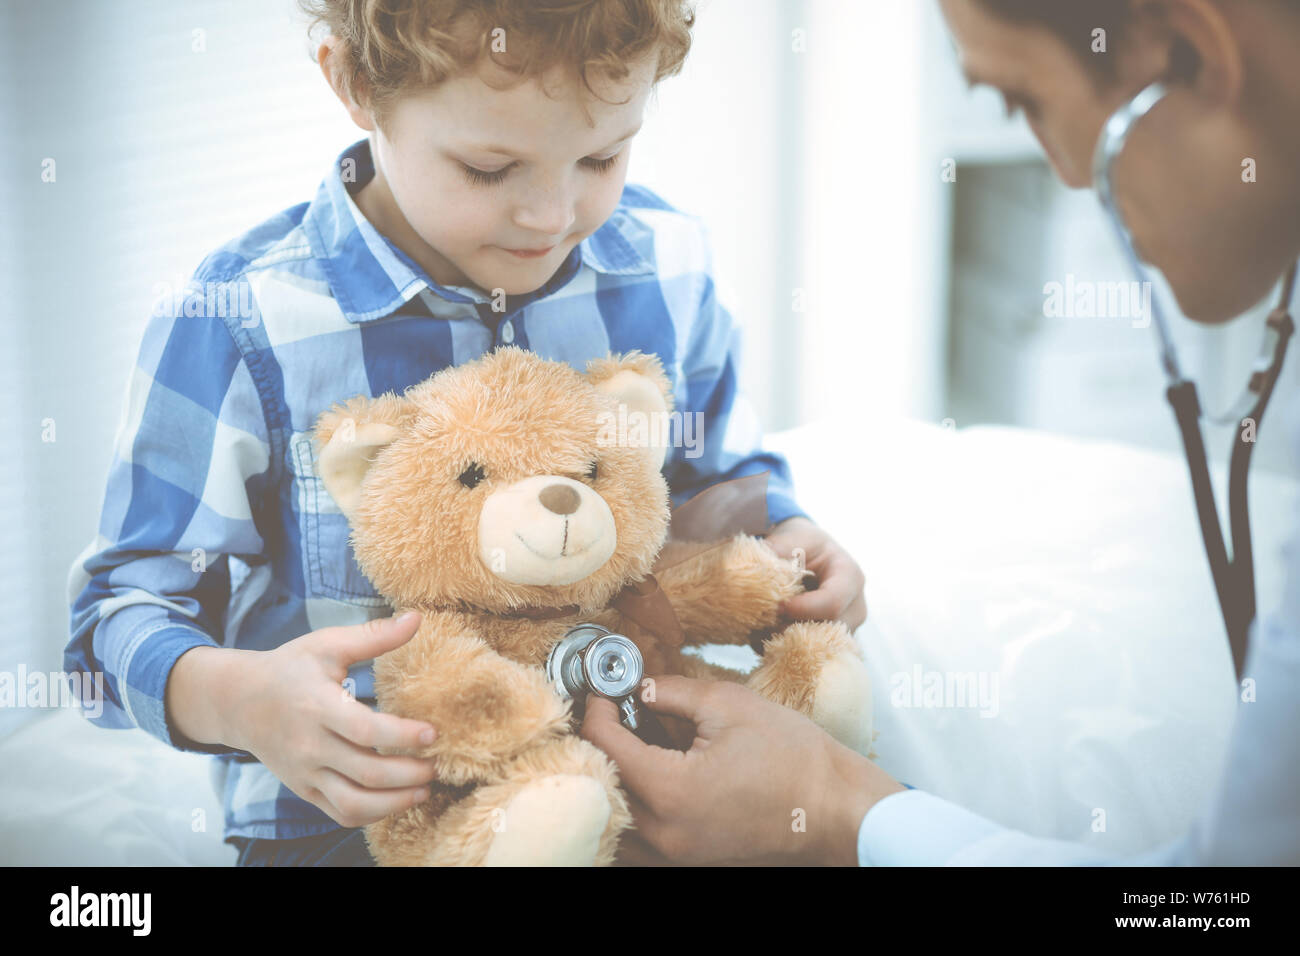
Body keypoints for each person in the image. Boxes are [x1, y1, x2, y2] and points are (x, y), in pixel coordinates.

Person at [63, 0, 868, 867]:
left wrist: (786, 537)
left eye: (601, 156)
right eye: (490, 168)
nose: (551, 216)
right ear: (356, 83)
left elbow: (718, 480)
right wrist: (240, 703)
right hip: (363, 815)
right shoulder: (239, 320)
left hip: (638, 774)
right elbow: (113, 620)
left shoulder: (664, 266)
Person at [582, 0, 1300, 866]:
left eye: (1021, 99)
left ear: (1193, 48)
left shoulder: (665, 265)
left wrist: (838, 810)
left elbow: (1207, 906)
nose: (1069, 175)